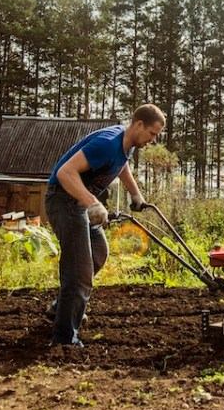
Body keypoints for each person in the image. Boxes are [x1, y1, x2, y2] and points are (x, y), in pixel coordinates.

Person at [45, 103, 166, 347]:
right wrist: (91, 202)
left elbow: (122, 165)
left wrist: (135, 195)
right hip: (64, 200)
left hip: (78, 205)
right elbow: (65, 173)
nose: (152, 140)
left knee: (98, 253)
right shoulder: (108, 143)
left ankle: (60, 308)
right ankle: (64, 340)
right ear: (139, 124)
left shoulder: (126, 145)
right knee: (79, 272)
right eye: (152, 134)